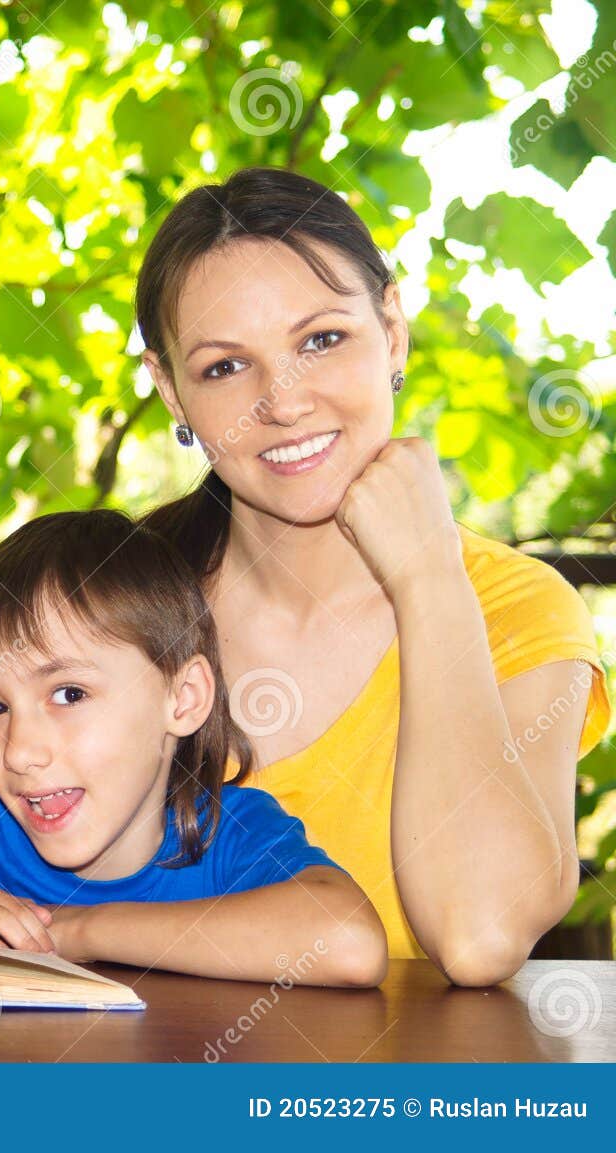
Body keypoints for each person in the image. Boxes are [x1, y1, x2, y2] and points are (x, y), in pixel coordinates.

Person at [134, 167, 609, 985]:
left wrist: (428, 577)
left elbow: (481, 936)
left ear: (392, 329)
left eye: (321, 339)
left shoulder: (522, 610)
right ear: (170, 390)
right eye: (223, 367)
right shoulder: (119, 596)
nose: (282, 402)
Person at [0, 510, 387, 987]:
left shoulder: (227, 836)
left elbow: (350, 942)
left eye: (69, 694)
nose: (19, 752)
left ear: (184, 698)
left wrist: (76, 932)